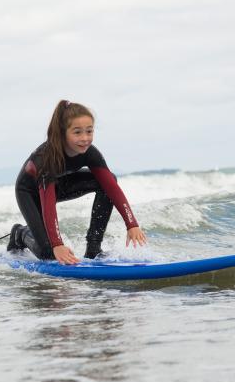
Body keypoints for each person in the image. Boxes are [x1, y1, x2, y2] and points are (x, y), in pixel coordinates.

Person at [9, 100, 147, 265]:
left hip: (60, 185)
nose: (85, 138)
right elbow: (48, 204)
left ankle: (94, 248)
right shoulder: (47, 157)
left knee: (108, 180)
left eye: (89, 131)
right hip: (30, 194)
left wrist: (131, 224)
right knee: (49, 253)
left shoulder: (90, 153)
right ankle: (20, 233)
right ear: (63, 133)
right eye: (77, 132)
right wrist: (57, 245)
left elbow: (111, 186)